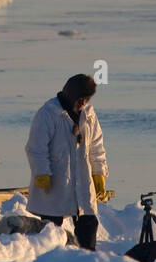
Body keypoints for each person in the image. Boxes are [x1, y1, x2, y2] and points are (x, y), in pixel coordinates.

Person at [24, 74, 111, 251]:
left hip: (83, 181)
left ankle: (87, 260)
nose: (84, 103)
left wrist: (99, 172)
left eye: (87, 99)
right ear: (71, 96)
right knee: (51, 228)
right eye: (81, 99)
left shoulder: (89, 115)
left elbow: (96, 145)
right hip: (56, 182)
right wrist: (42, 173)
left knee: (88, 221)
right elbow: (36, 148)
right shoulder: (48, 114)